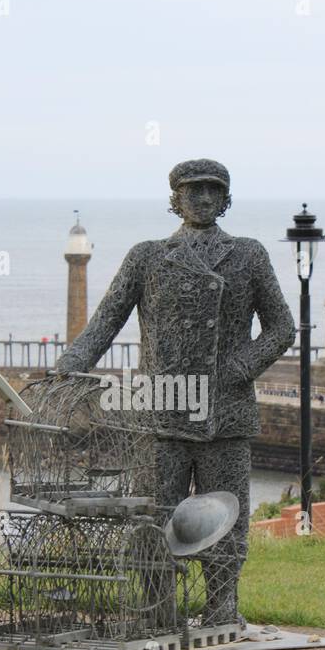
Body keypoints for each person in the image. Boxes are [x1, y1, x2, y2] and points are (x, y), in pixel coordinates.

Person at [55, 158, 296, 626]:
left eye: (212, 190)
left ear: (225, 198)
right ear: (175, 199)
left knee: (227, 514)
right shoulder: (146, 256)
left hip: (224, 414)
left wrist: (238, 367)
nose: (203, 199)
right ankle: (155, 611)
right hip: (160, 411)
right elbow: (107, 319)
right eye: (192, 191)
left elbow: (281, 327)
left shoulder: (248, 255)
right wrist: (72, 363)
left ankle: (222, 607)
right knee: (154, 516)